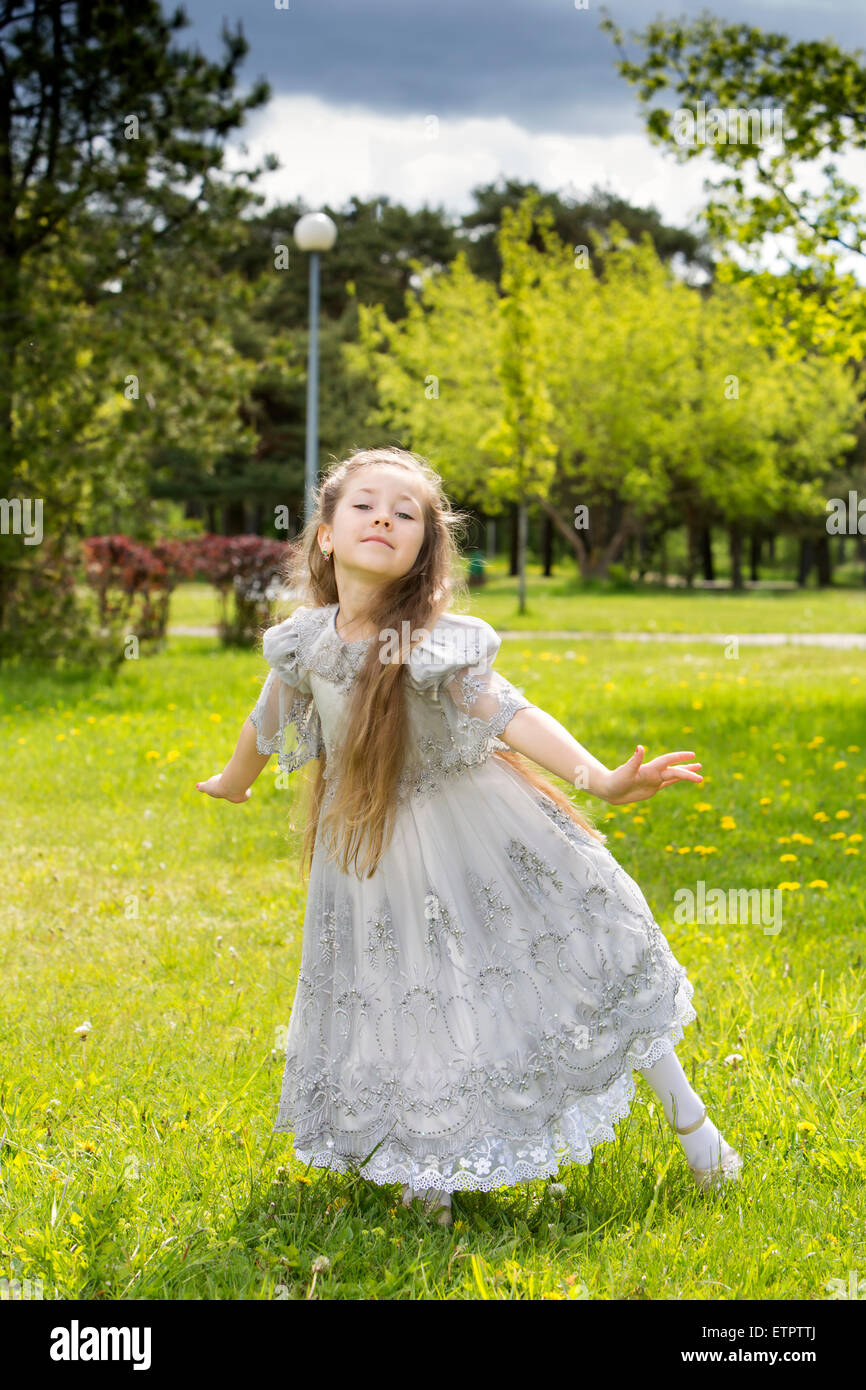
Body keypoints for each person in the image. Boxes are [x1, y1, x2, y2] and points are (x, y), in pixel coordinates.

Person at [196, 446, 743, 1227]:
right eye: (364, 505)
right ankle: (430, 1165)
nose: (383, 516)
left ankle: (694, 1126)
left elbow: (511, 714)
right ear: (324, 535)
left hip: (480, 829)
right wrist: (235, 778)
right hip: (373, 856)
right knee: (410, 994)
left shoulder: (436, 640)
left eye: (405, 511)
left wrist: (601, 777)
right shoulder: (303, 641)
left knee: (579, 958)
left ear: (423, 546)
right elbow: (269, 717)